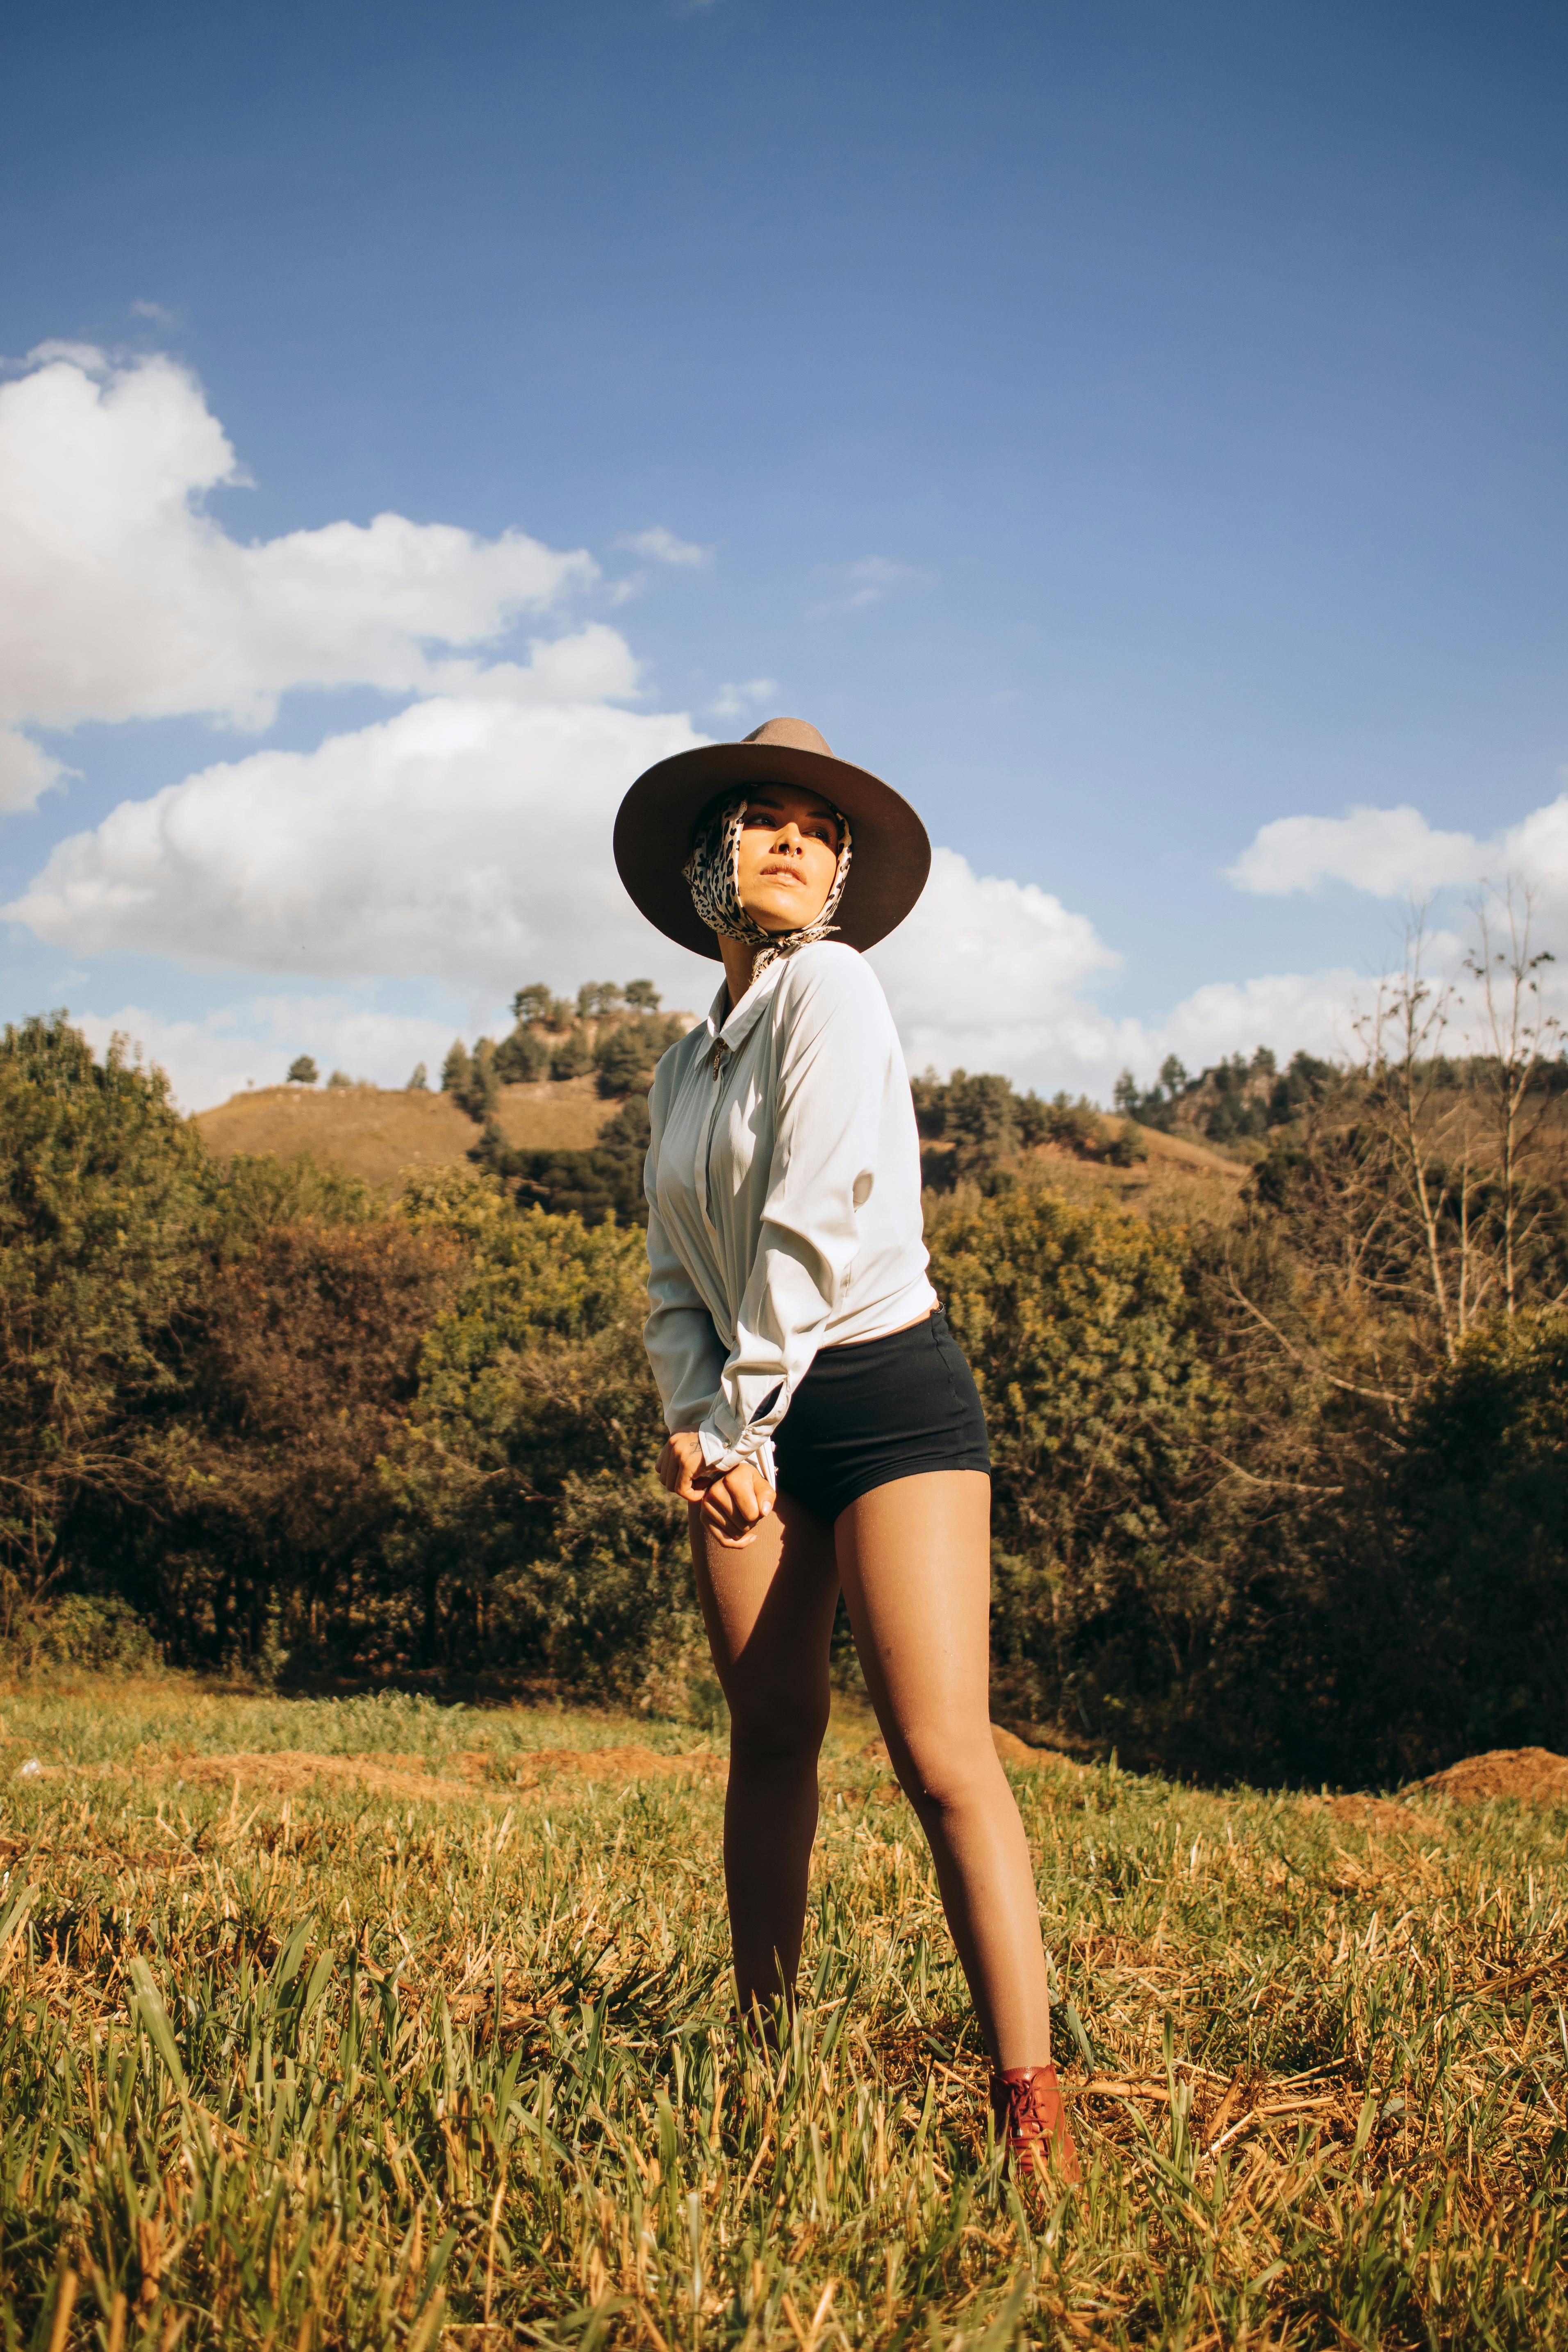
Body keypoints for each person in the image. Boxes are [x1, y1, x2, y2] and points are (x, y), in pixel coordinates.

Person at [612, 717, 1078, 2181]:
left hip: (880, 1396)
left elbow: (816, 1223)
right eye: (763, 817)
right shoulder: (687, 1068)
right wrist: (699, 1424)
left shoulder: (836, 989)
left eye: (819, 829)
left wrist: (744, 1413)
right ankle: (763, 2069)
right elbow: (673, 1274)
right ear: (710, 857)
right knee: (768, 1733)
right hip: (745, 1419)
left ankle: (1030, 2104)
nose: (794, 841)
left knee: (940, 1754)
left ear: (836, 878)